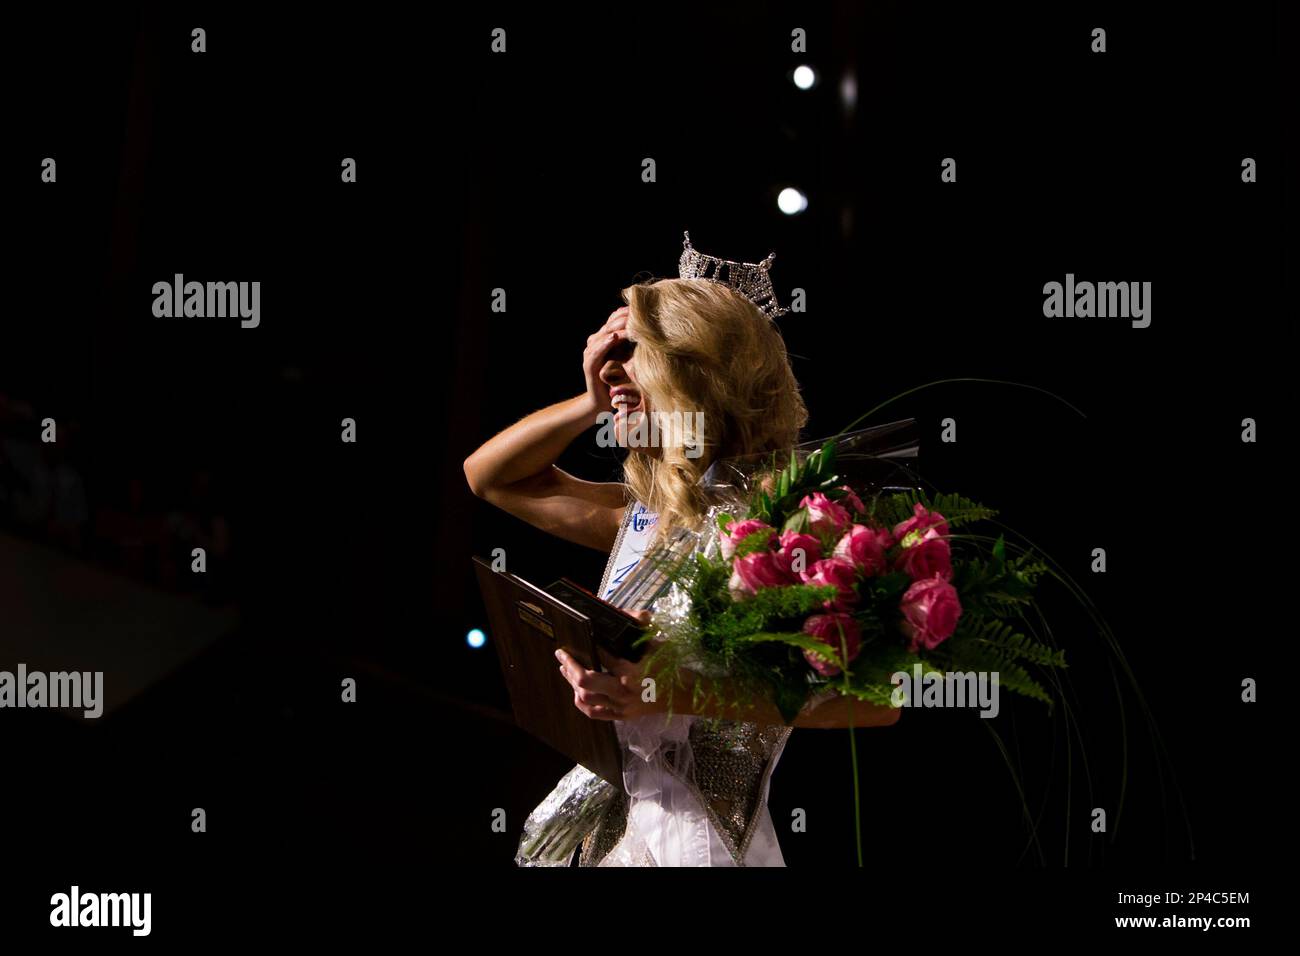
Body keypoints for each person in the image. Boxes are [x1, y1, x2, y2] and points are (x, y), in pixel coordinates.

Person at [464, 246, 900, 867]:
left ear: (697, 370)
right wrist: (591, 401)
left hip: (704, 844)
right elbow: (488, 477)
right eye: (610, 355)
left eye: (633, 352)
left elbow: (878, 700)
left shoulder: (790, 523)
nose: (611, 368)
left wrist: (667, 693)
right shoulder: (643, 513)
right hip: (611, 826)